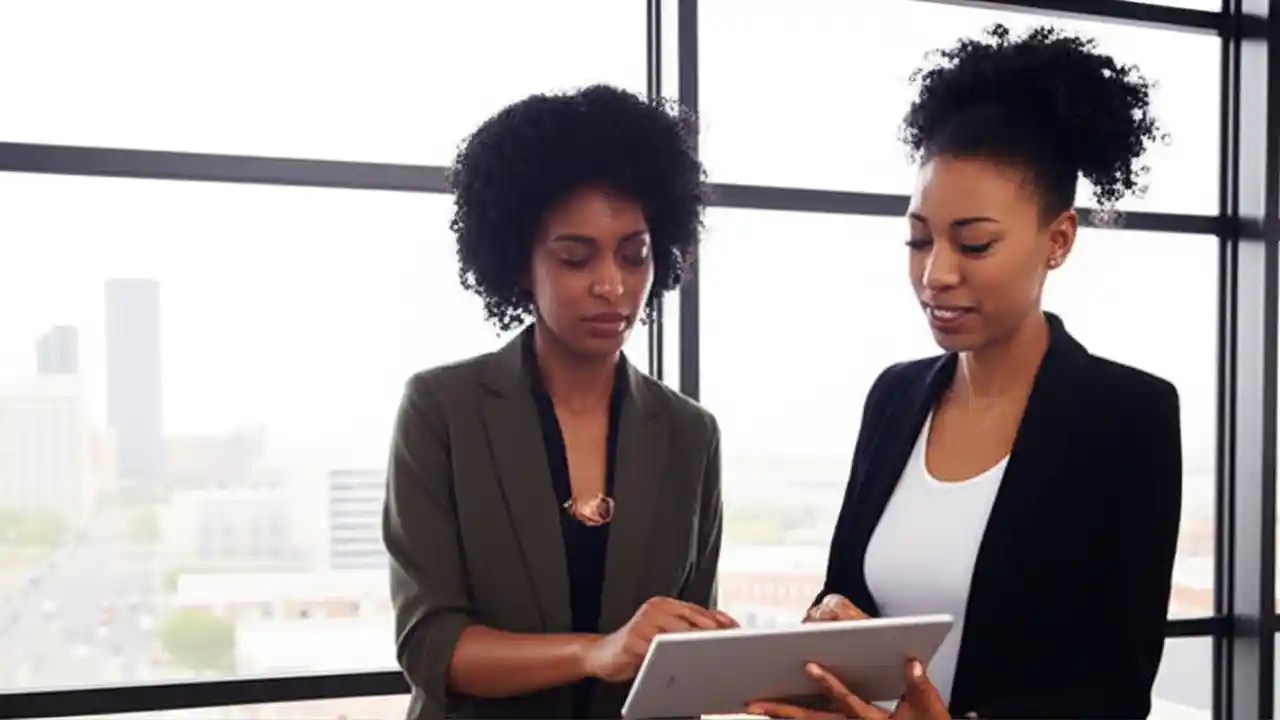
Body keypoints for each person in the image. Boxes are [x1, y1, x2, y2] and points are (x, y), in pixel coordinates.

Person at [749, 24, 1182, 720]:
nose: (935, 274)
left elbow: (1118, 686)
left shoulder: (1127, 415)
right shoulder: (894, 396)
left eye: (974, 244)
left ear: (1058, 239)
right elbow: (844, 594)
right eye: (918, 239)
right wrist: (825, 632)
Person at [383, 84, 734, 720]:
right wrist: (596, 652)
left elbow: (681, 656)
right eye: (576, 258)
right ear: (521, 263)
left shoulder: (690, 434)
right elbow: (430, 645)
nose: (613, 285)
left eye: (635, 256)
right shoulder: (443, 411)